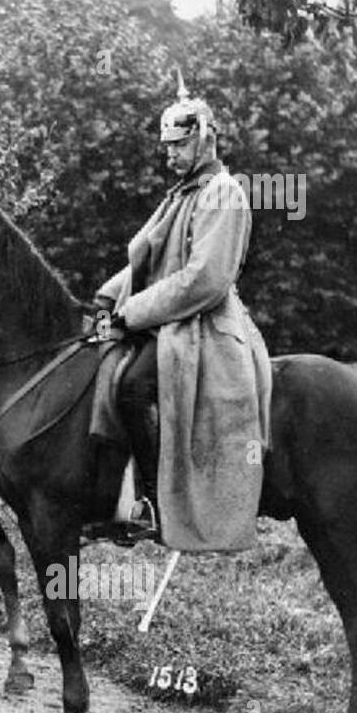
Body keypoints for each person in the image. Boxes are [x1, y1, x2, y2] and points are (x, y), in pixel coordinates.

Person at [92, 72, 271, 551]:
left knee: (132, 388)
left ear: (204, 140)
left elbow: (203, 280)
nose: (169, 155)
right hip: (165, 319)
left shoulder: (223, 193)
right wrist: (108, 297)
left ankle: (152, 504)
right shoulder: (181, 194)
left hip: (203, 324)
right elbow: (148, 259)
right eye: (166, 146)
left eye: (177, 146)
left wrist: (131, 313)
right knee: (101, 369)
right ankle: (110, 496)